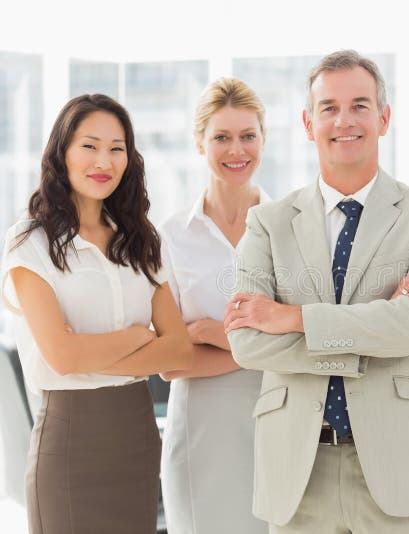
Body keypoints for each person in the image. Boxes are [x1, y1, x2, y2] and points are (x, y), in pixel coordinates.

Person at [222, 50, 409, 533]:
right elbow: (248, 341)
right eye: (329, 107)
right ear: (308, 121)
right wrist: (377, 328)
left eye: (360, 105)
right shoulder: (268, 224)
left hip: (403, 465)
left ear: (384, 118)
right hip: (299, 470)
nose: (344, 120)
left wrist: (293, 318)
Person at [1, 94, 193, 534]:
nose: (103, 159)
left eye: (117, 147)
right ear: (62, 151)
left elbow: (179, 351)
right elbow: (62, 359)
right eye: (89, 145)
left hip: (137, 437)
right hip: (69, 442)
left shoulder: (142, 241)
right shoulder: (29, 242)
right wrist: (137, 338)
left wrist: (87, 349)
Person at [159, 77, 269, 534]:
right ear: (199, 143)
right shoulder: (170, 236)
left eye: (247, 135)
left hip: (278, 429)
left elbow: (305, 342)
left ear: (264, 138)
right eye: (221, 137)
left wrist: (206, 332)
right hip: (200, 437)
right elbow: (169, 362)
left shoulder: (289, 227)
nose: (236, 149)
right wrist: (260, 347)